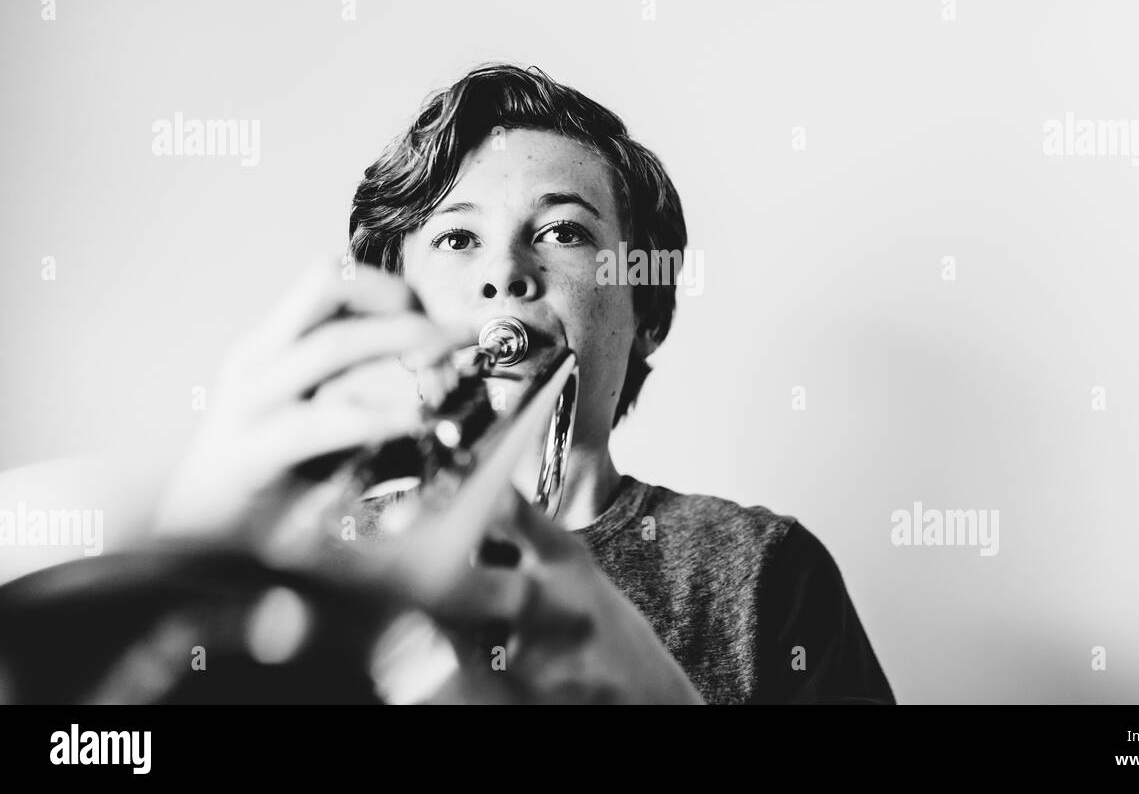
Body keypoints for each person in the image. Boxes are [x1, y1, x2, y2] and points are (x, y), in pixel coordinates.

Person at [155, 62, 895, 704]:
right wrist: (184, 571)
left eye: (563, 232)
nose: (505, 273)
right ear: (399, 304)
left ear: (645, 312)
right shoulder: (315, 558)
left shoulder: (765, 566)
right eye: (456, 237)